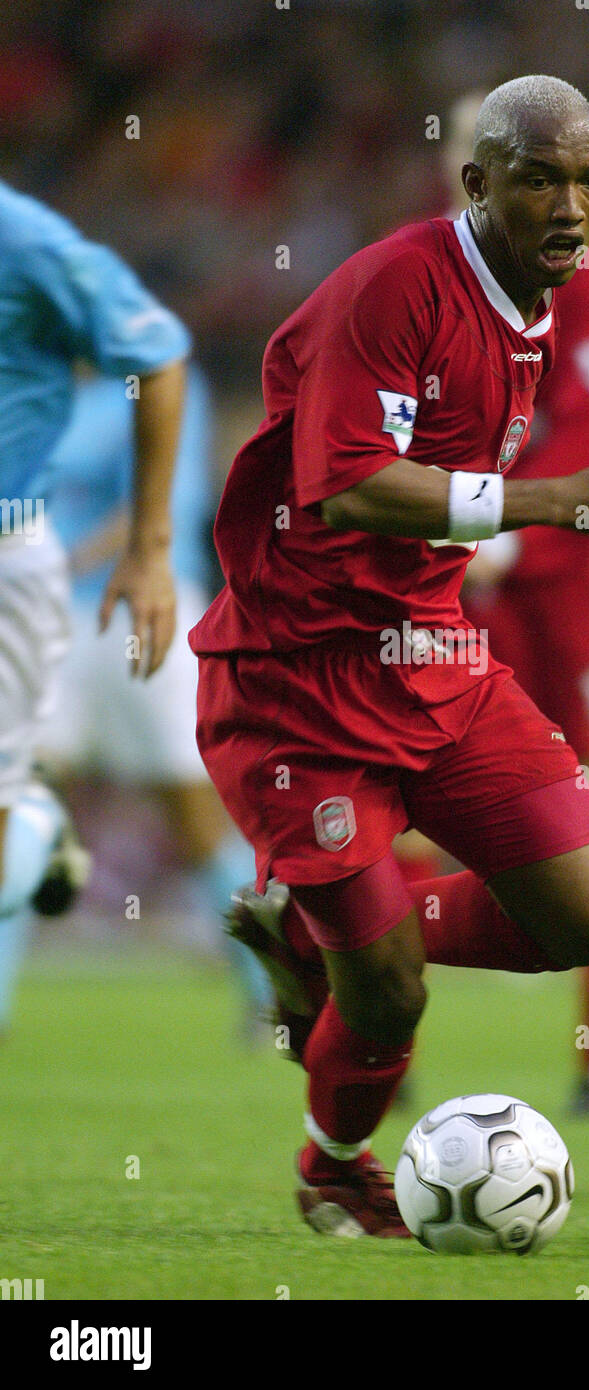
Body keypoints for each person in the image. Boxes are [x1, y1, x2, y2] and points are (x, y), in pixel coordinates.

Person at [190, 75, 589, 1237]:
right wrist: (552, 503)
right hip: (293, 676)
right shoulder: (396, 287)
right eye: (538, 179)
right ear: (476, 184)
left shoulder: (536, 300)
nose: (570, 205)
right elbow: (355, 487)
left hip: (436, 657)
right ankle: (334, 1164)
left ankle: (331, 928)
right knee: (389, 989)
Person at [453, 102, 589, 1115]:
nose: (553, 197)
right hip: (469, 574)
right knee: (419, 803)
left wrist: (508, 529)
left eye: (566, 175)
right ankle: (370, 1012)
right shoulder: (437, 280)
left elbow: (583, 426)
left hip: (572, 587)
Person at [0, 178, 188, 1034]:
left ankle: (31, 830)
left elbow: (156, 358)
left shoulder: (26, 239)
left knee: (193, 806)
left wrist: (147, 553)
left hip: (33, 564)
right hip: (47, 585)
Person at [38, 368, 270, 1035]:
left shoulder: (157, 376)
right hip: (42, 621)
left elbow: (155, 505)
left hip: (145, 611)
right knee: (18, 807)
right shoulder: (26, 382)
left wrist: (52, 557)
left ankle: (271, 990)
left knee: (195, 818)